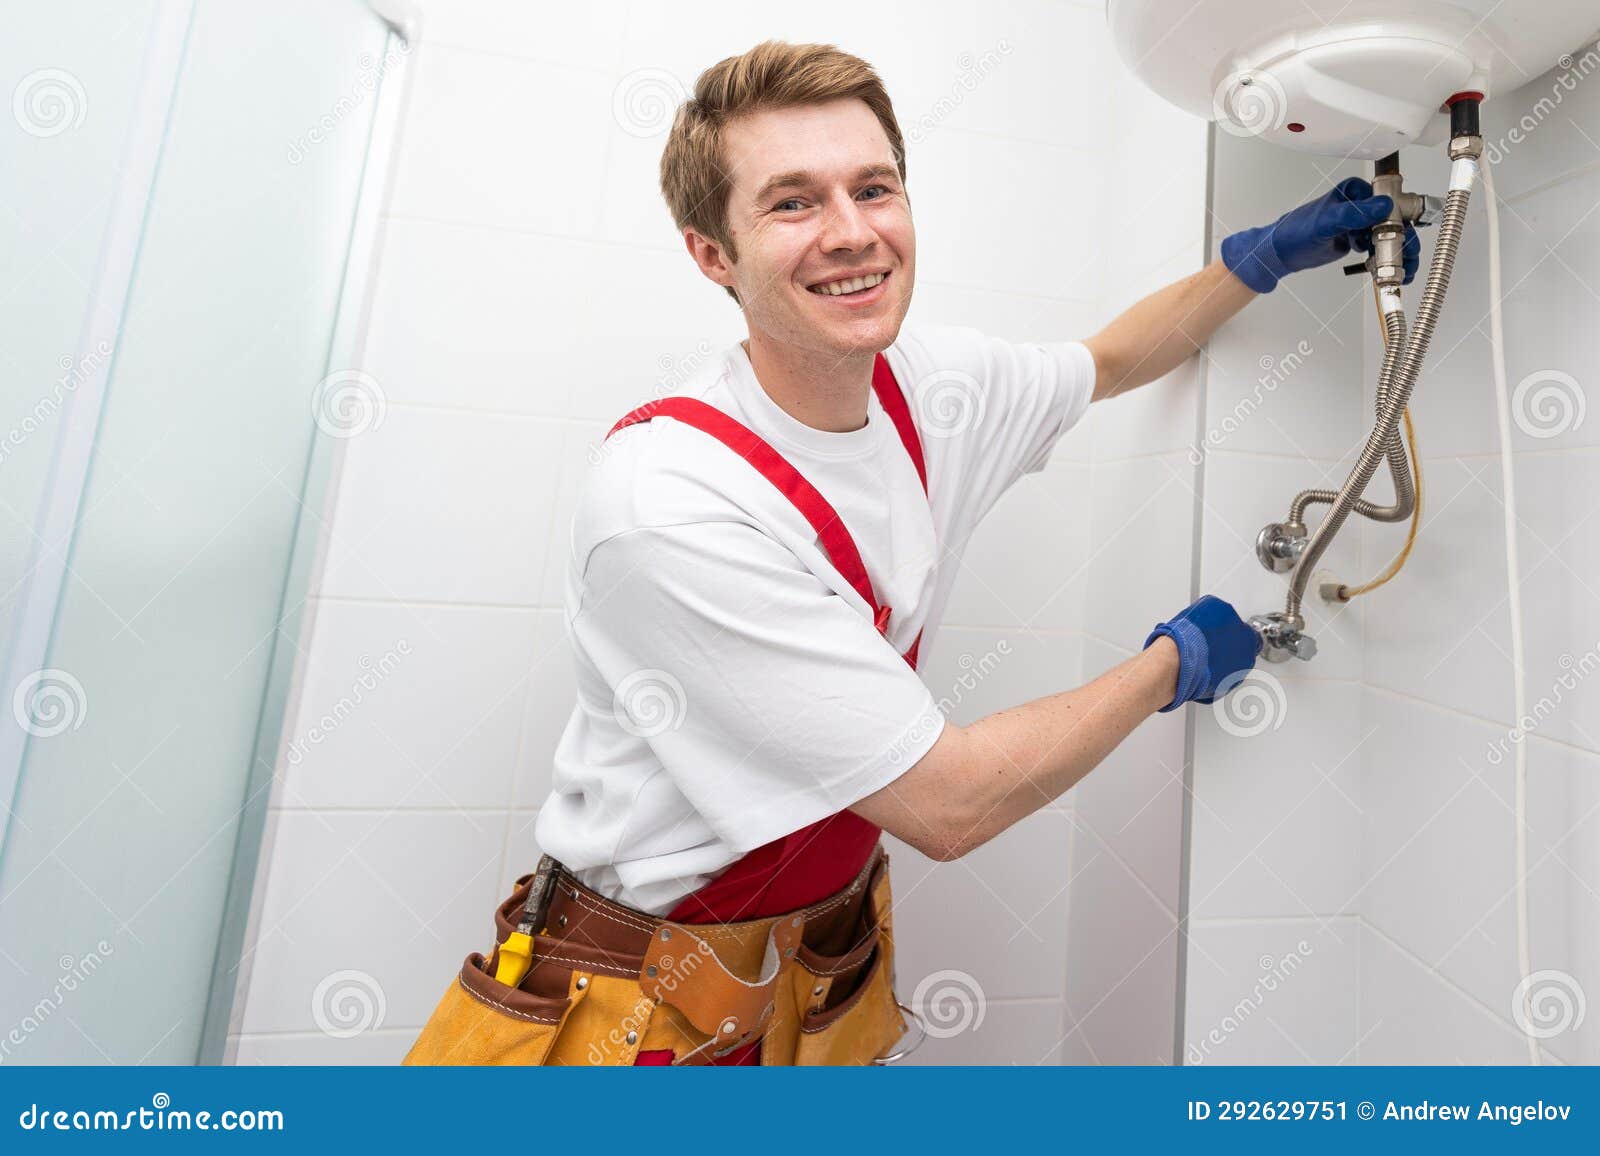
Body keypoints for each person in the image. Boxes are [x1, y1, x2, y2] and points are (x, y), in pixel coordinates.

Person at [405, 39, 1413, 1068]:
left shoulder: (932, 388)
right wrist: (1173, 662)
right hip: (637, 1003)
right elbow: (948, 803)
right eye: (792, 202)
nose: (852, 233)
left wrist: (1257, 262)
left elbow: (1109, 362)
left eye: (874, 188)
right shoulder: (671, 506)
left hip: (818, 965)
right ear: (713, 254)